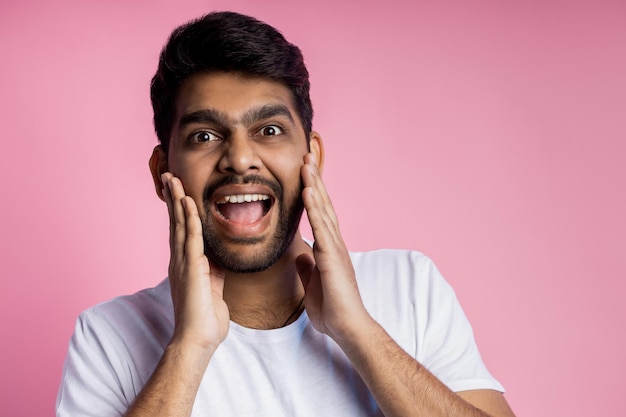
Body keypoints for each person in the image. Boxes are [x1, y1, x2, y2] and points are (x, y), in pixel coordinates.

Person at [57, 11, 515, 417]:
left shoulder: (409, 284)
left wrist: (357, 330)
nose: (239, 158)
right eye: (204, 136)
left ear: (311, 157)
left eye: (269, 130)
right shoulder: (108, 336)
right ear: (163, 172)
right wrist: (189, 347)